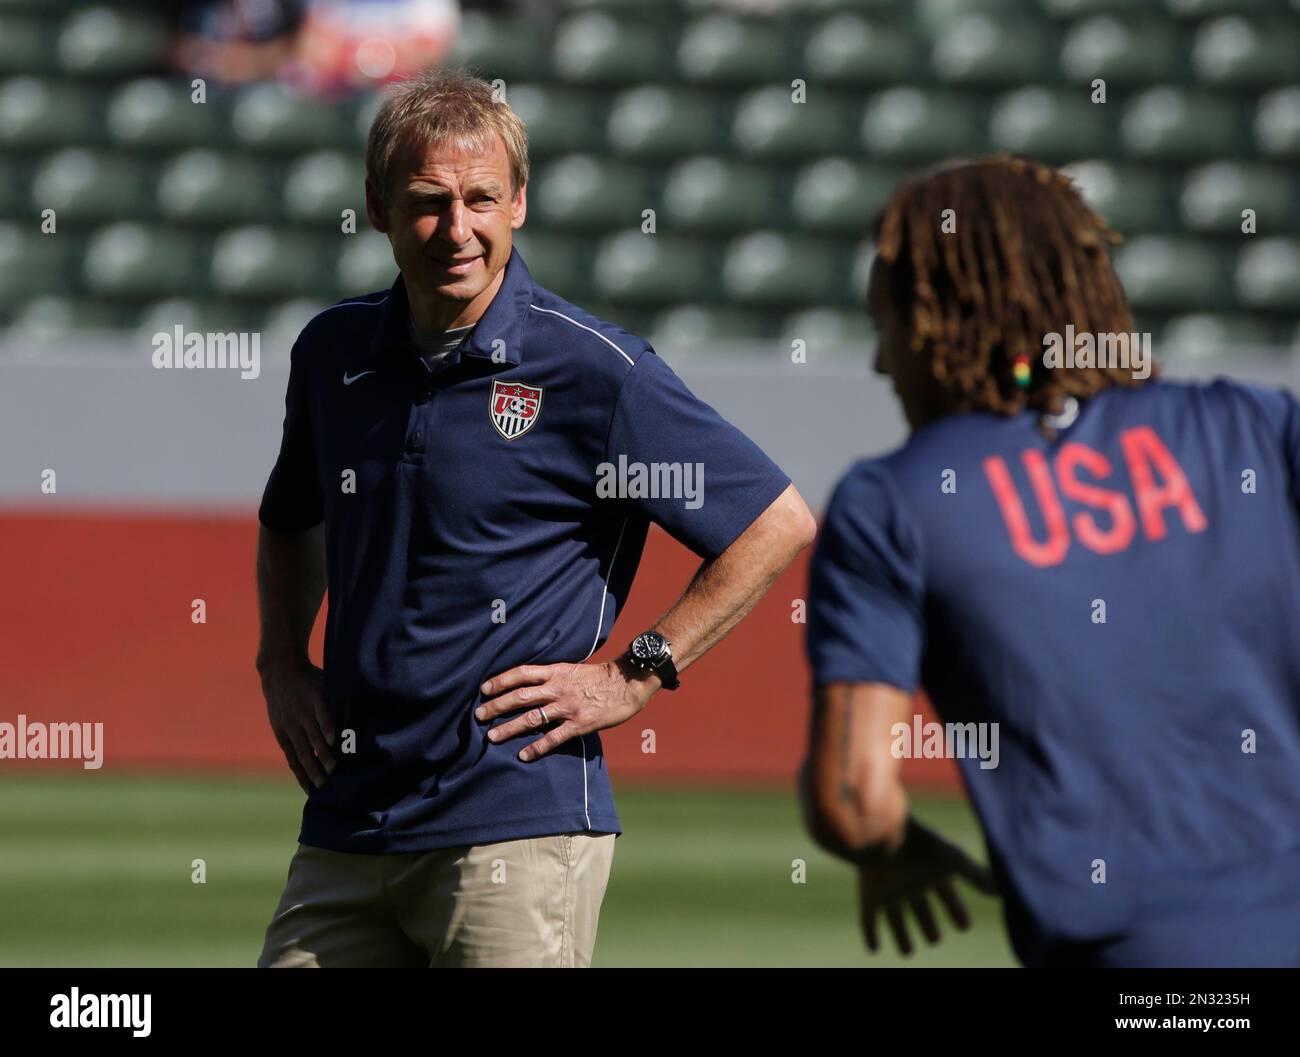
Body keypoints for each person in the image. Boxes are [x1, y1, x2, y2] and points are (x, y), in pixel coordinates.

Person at [253, 68, 815, 967]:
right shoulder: (332, 351)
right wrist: (282, 660)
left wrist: (632, 675)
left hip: (512, 824)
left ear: (519, 202)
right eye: (429, 201)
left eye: (481, 198)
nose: (457, 228)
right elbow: (289, 520)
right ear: (377, 206)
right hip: (348, 820)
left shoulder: (594, 371)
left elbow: (776, 521)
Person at [802, 156, 1300, 968]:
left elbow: (856, 799)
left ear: (932, 317)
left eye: (885, 326)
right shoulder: (1257, 427)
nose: (881, 364)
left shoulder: (891, 502)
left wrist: (891, 851)